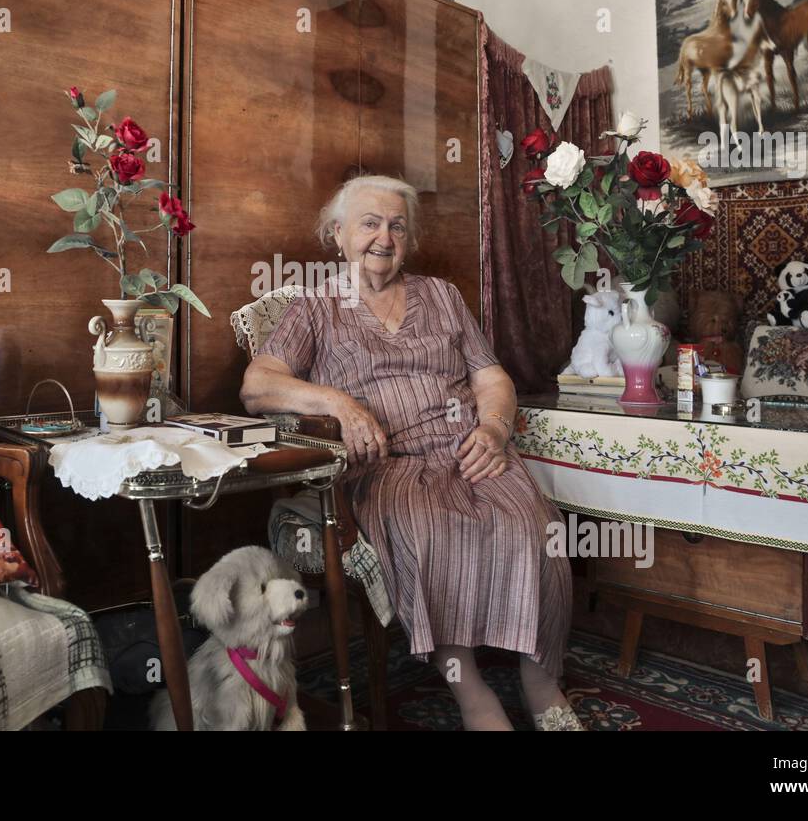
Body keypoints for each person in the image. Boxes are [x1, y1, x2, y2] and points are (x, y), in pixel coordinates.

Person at [240, 174, 581, 731]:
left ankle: (541, 680)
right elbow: (258, 386)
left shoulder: (441, 296)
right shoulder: (315, 306)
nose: (384, 236)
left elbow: (490, 375)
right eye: (370, 223)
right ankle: (470, 689)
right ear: (338, 234)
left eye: (397, 225)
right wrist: (338, 403)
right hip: (386, 467)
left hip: (466, 447)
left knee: (533, 524)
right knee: (431, 531)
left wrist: (494, 429)